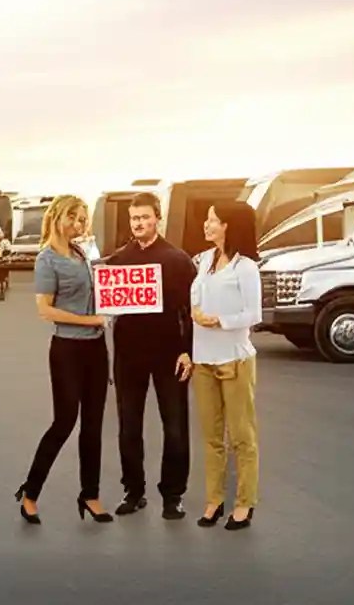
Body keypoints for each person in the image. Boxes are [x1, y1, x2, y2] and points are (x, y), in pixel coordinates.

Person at [15, 195, 113, 525]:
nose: (80, 224)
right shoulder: (47, 259)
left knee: (94, 425)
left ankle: (91, 495)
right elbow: (45, 311)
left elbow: (99, 290)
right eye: (75, 218)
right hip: (67, 350)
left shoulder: (82, 252)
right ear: (58, 217)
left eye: (84, 219)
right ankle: (30, 493)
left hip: (97, 350)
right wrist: (93, 321)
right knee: (65, 421)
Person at [100, 191, 196, 520]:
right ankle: (134, 491)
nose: (139, 223)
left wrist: (188, 351)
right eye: (134, 218)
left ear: (158, 218)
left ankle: (173, 495)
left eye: (145, 217)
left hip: (170, 355)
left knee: (175, 427)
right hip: (128, 356)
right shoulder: (117, 261)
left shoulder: (178, 260)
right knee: (129, 427)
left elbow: (190, 311)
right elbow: (108, 313)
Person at [187, 201, 261, 531]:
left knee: (242, 437)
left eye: (213, 219)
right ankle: (214, 499)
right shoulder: (203, 261)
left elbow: (254, 314)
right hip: (203, 359)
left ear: (230, 225)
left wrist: (220, 321)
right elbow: (193, 300)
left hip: (235, 359)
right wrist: (194, 313)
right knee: (211, 437)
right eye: (208, 218)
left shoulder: (245, 267)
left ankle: (244, 502)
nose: (207, 224)